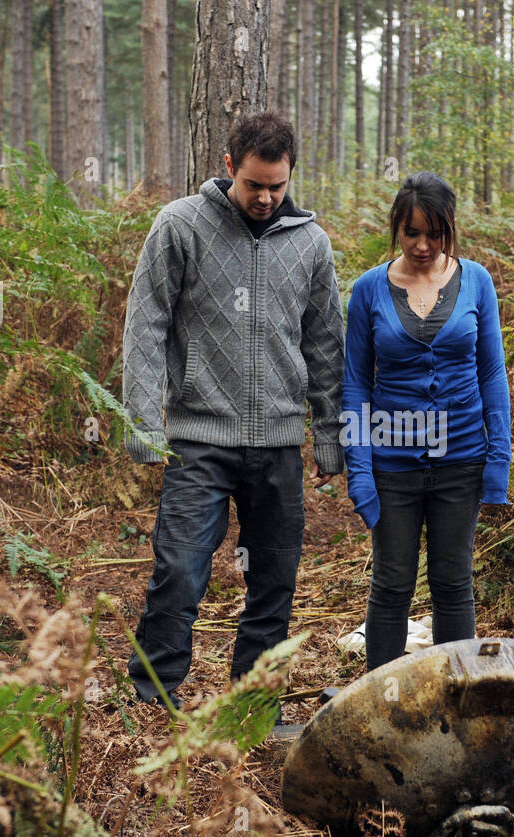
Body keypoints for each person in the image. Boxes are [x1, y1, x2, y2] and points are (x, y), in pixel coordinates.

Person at [121, 111, 344, 707]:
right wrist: (142, 423)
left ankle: (252, 702)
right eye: (254, 185)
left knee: (273, 582)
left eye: (278, 185)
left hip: (277, 443)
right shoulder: (180, 226)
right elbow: (145, 326)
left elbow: (325, 344)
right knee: (180, 570)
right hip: (198, 438)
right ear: (228, 169)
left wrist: (328, 434)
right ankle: (151, 701)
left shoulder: (312, 244)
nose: (267, 197)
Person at [342, 172, 511, 671]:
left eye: (433, 233)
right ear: (396, 228)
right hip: (392, 464)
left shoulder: (476, 280)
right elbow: (355, 384)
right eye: (411, 232)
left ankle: (458, 700)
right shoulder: (369, 289)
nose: (422, 244)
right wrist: (360, 469)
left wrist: (497, 460)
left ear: (449, 229)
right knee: (392, 583)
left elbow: (492, 372)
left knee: (453, 583)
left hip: (461, 460)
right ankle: (383, 704)